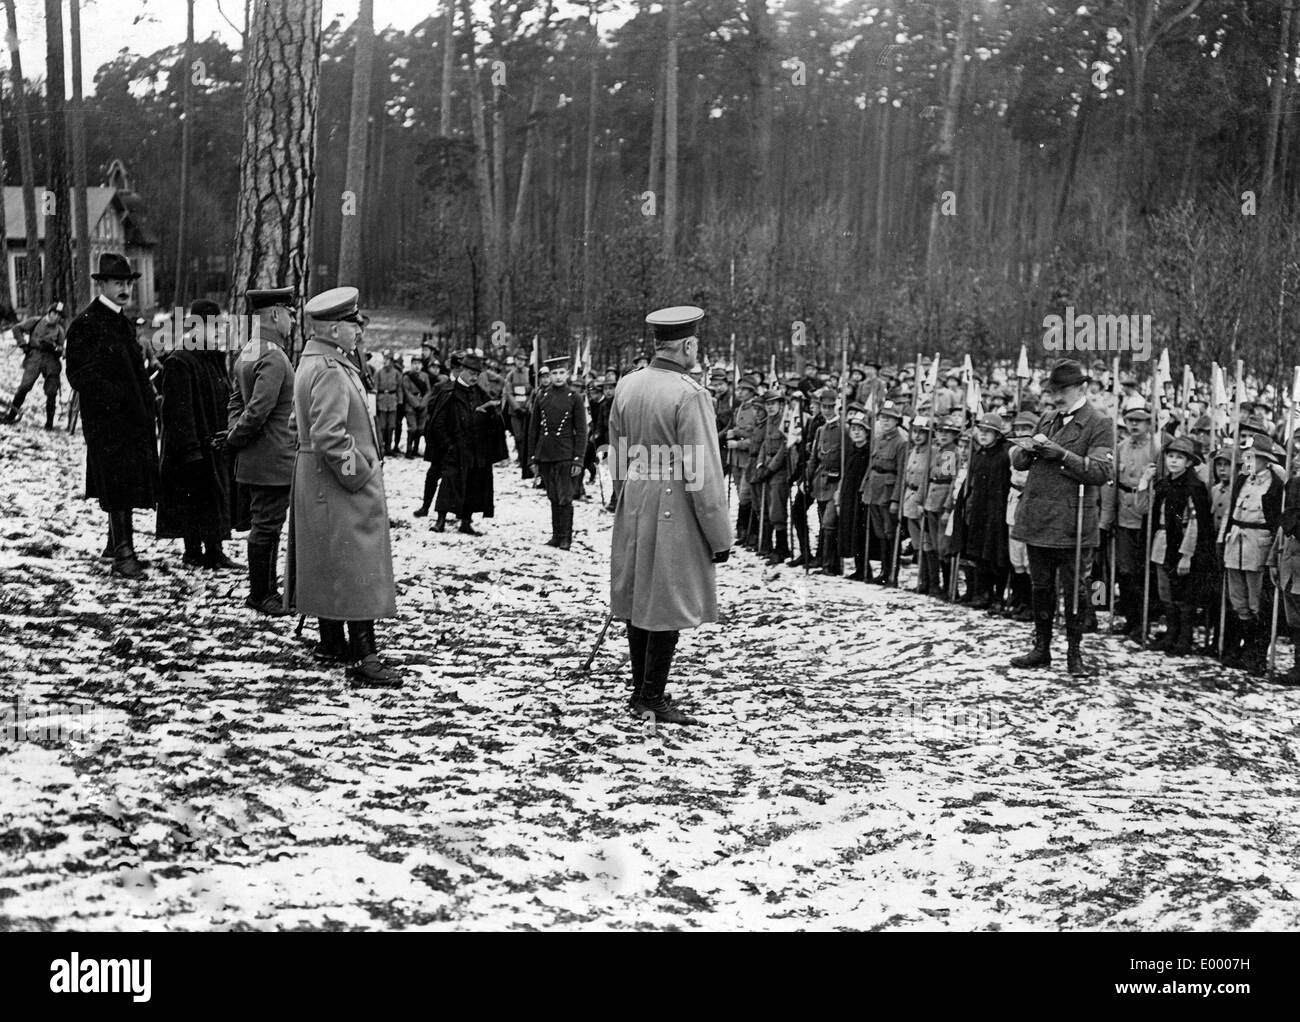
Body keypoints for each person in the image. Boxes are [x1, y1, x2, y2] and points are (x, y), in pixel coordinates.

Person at [609, 306, 730, 725]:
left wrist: (627, 494)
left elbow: (618, 455)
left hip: (636, 502)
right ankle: (651, 697)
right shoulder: (689, 393)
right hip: (673, 505)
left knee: (640, 594)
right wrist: (720, 536)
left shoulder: (627, 385)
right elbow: (703, 471)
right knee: (665, 600)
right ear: (688, 345)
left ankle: (642, 691)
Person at [285, 286, 400, 687]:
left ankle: (332, 640)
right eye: (353, 325)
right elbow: (331, 436)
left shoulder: (315, 363)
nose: (359, 332)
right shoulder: (331, 370)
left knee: (328, 562)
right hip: (338, 483)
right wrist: (361, 473)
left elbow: (295, 425)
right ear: (334, 330)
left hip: (316, 479)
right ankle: (365, 655)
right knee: (357, 565)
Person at [1008, 358, 1114, 677]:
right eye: (1053, 390)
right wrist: (1025, 452)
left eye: (1062, 390)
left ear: (1082, 388)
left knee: (1076, 591)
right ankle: (1041, 648)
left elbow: (1101, 471)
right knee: (1041, 587)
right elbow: (1019, 460)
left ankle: (1074, 653)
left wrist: (1063, 455)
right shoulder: (1048, 417)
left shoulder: (1099, 423)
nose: (1056, 397)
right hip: (1039, 517)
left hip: (1072, 522)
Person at [64, 254, 158, 579]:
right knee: (118, 483)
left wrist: (145, 401)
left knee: (126, 481)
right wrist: (116, 399)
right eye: (118, 282)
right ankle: (123, 554)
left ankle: (112, 543)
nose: (125, 288)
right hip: (108, 422)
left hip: (131, 421)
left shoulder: (122, 322)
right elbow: (78, 374)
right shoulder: (86, 323)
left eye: (129, 283)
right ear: (101, 284)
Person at [221, 286, 297, 616]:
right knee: (267, 525)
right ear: (276, 315)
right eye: (290, 315)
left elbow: (237, 402)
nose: (293, 321)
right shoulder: (274, 356)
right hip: (274, 458)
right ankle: (261, 594)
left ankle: (266, 590)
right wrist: (236, 438)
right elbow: (259, 408)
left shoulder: (251, 350)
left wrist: (235, 436)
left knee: (265, 523)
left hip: (256, 457)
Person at [156, 299, 238, 570]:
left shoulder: (214, 358)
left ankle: (214, 550)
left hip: (213, 443)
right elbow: (178, 412)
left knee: (213, 498)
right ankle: (192, 551)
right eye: (212, 326)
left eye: (220, 326)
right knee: (193, 497)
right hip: (190, 447)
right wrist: (190, 449)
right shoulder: (181, 360)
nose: (218, 332)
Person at [1135, 435, 1214, 656]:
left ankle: (1184, 638)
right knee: (1165, 591)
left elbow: (1196, 523)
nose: (1174, 461)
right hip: (1161, 542)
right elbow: (1143, 510)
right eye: (1170, 456)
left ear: (1189, 462)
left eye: (1180, 458)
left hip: (1181, 544)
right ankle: (1171, 634)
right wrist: (1144, 483)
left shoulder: (1193, 487)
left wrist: (1187, 554)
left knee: (1183, 592)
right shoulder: (1162, 484)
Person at [1219, 433, 1284, 674]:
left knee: (1258, 602)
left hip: (1258, 545)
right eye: (1247, 456)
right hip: (1235, 542)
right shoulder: (1242, 480)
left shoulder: (1276, 483)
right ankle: (1244, 647)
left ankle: (1257, 651)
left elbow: (1276, 520)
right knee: (1238, 600)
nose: (1248, 460)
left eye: (1253, 457)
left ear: (1266, 460)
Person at [427, 352, 508, 534]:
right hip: (454, 448)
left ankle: (466, 521)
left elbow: (494, 421)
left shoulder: (481, 394)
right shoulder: (449, 392)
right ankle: (440, 521)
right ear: (461, 370)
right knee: (449, 483)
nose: (474, 377)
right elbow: (438, 423)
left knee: (474, 484)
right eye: (471, 373)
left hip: (476, 449)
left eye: (477, 374)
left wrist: (492, 414)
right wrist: (448, 445)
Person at [530, 355, 589, 549]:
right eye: (554, 373)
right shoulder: (542, 397)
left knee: (565, 497)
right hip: (546, 453)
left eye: (561, 373)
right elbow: (534, 430)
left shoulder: (575, 398)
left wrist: (579, 459)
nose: (557, 377)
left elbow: (581, 431)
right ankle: (556, 535)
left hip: (566, 453)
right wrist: (532, 457)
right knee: (553, 495)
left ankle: (566, 537)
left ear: (568, 374)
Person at [962, 412, 1012, 610]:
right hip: (979, 510)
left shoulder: (1005, 454)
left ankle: (998, 596)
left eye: (988, 432)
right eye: (981, 431)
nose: (983, 435)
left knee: (997, 556)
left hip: (997, 511)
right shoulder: (979, 454)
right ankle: (983, 593)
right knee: (979, 555)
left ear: (997, 435)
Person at [861, 400, 908, 584]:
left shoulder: (901, 443)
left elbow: (902, 472)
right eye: (883, 418)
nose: (886, 421)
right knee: (879, 533)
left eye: (890, 418)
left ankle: (892, 575)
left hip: (888, 491)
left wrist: (896, 498)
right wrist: (864, 488)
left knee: (890, 534)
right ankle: (883, 571)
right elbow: (871, 466)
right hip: (874, 488)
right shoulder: (877, 439)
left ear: (897, 421)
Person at [4, 302, 67, 428]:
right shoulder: (36, 321)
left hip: (51, 360)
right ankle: (11, 415)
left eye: (59, 315)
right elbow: (17, 328)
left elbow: (62, 350)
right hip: (35, 357)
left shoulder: (60, 330)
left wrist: (55, 348)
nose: (57, 317)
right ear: (50, 313)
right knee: (24, 386)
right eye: (55, 313)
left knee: (51, 391)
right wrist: (23, 345)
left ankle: (49, 423)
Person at [751, 389, 793, 565]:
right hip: (767, 468)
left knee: (777, 510)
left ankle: (782, 548)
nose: (770, 407)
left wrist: (770, 468)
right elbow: (764, 445)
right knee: (767, 507)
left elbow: (785, 448)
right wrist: (760, 465)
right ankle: (770, 546)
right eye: (767, 404)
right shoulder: (769, 421)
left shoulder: (785, 422)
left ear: (781, 404)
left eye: (773, 404)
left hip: (780, 471)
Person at [723, 374, 765, 548]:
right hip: (736, 460)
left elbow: (756, 437)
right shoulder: (739, 408)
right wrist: (732, 431)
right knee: (742, 496)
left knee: (746, 496)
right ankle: (743, 532)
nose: (739, 392)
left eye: (743, 390)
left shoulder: (756, 409)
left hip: (749, 459)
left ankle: (751, 533)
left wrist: (737, 440)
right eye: (739, 389)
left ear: (751, 391)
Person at [806, 387, 844, 574]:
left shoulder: (843, 430)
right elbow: (814, 457)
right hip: (820, 482)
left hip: (835, 483)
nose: (827, 410)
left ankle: (832, 565)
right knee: (823, 522)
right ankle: (825, 561)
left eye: (831, 407)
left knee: (829, 523)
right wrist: (808, 477)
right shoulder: (821, 430)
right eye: (824, 407)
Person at [838, 403, 872, 579]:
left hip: (861, 494)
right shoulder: (851, 450)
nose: (856, 432)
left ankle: (864, 567)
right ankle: (859, 567)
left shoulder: (868, 451)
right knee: (851, 529)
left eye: (860, 429)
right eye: (853, 429)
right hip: (849, 494)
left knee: (860, 530)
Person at [401, 356, 431, 457]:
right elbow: (407, 392)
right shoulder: (407, 377)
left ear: (422, 365)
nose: (416, 366)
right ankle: (408, 450)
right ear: (411, 365)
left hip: (423, 404)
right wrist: (415, 403)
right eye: (414, 363)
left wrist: (423, 403)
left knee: (420, 429)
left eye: (419, 363)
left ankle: (415, 449)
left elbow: (428, 391)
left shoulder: (425, 376)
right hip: (411, 406)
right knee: (412, 428)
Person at [375, 351, 402, 455]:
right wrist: (375, 402)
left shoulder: (396, 373)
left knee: (391, 426)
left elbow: (399, 387)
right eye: (384, 359)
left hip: (392, 401)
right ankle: (381, 447)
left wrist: (400, 401)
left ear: (391, 361)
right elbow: (375, 388)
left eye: (387, 359)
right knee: (382, 426)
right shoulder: (378, 373)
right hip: (381, 401)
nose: (385, 361)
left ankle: (389, 447)